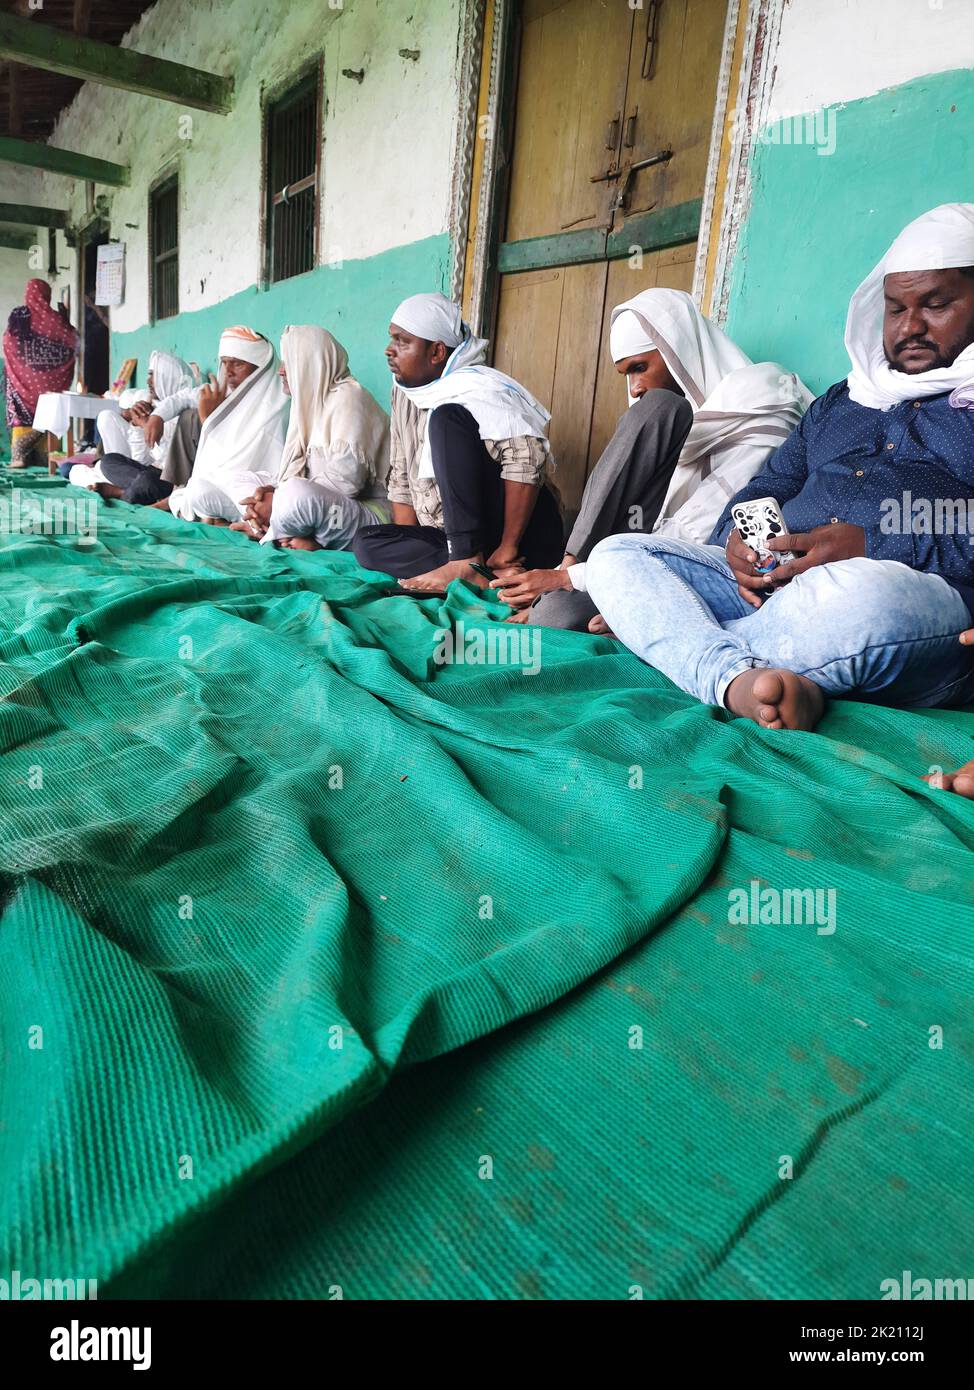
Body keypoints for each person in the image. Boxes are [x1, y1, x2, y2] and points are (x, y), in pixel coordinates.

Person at [585, 203, 974, 731]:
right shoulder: (843, 400)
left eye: (936, 306)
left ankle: (676, 644)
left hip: (897, 593)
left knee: (860, 602)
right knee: (619, 556)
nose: (910, 327)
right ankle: (738, 677)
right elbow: (768, 484)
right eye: (895, 309)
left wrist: (869, 543)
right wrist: (736, 540)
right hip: (770, 586)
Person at [490, 289, 811, 630]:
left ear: (679, 353)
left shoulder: (763, 404)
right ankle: (567, 564)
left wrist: (576, 580)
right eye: (626, 374)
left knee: (556, 615)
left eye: (639, 368)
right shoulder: (669, 425)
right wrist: (572, 571)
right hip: (625, 551)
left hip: (698, 562)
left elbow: (700, 536)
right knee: (658, 410)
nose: (634, 388)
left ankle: (573, 583)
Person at [351, 291, 563, 589]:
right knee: (366, 543)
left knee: (446, 419)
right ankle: (476, 572)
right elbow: (401, 476)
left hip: (517, 538)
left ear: (436, 352)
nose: (389, 350)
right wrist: (407, 543)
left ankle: (473, 564)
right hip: (456, 540)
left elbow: (526, 459)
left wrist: (507, 547)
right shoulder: (403, 393)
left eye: (402, 341)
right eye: (392, 339)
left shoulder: (481, 387)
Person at [232, 325, 391, 549]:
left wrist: (278, 499)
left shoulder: (350, 398)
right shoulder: (307, 405)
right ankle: (273, 527)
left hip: (367, 515)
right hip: (320, 504)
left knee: (295, 497)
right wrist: (273, 495)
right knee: (241, 480)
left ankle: (275, 528)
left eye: (289, 362)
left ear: (312, 364)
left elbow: (346, 485)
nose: (281, 371)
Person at [158, 327, 289, 524]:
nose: (228, 372)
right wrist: (158, 415)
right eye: (225, 363)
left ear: (259, 368)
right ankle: (201, 511)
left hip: (251, 496)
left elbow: (239, 468)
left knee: (194, 495)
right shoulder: (228, 395)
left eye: (237, 364)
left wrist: (208, 420)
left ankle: (227, 519)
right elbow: (212, 471)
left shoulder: (277, 409)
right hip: (220, 490)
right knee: (196, 491)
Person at [67, 350, 196, 502]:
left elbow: (171, 465)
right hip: (144, 472)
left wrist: (147, 425)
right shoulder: (153, 408)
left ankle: (122, 492)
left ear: (168, 379)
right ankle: (127, 489)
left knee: (147, 481)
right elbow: (141, 460)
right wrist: (137, 426)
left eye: (152, 375)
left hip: (167, 478)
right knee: (101, 463)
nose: (148, 381)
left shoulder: (184, 414)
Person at [3, 279, 78, 469]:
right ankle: (48, 456)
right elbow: (73, 341)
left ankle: (18, 455)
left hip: (23, 383)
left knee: (17, 402)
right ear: (47, 295)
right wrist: (65, 318)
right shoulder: (55, 318)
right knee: (53, 408)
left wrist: (22, 365)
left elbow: (8, 341)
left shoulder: (19, 316)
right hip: (50, 386)